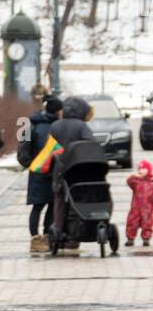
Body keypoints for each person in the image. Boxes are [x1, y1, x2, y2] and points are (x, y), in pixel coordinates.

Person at [49, 97, 96, 252]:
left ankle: (58, 233)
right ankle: (73, 237)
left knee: (60, 202)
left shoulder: (55, 125)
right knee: (76, 203)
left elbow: (49, 148)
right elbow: (91, 143)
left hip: (59, 170)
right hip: (77, 170)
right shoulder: (81, 126)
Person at [27, 95, 62, 252]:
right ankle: (46, 236)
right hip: (53, 172)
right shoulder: (58, 127)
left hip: (37, 171)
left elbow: (24, 148)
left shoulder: (33, 124)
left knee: (38, 205)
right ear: (58, 111)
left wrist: (30, 164)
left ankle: (35, 238)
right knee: (50, 204)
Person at [126, 161, 153, 248]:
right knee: (132, 222)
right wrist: (134, 175)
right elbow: (129, 182)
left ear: (148, 170)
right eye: (139, 169)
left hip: (147, 209)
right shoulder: (136, 181)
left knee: (147, 223)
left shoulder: (151, 183)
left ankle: (146, 239)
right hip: (135, 207)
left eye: (143, 168)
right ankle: (130, 238)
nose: (141, 170)